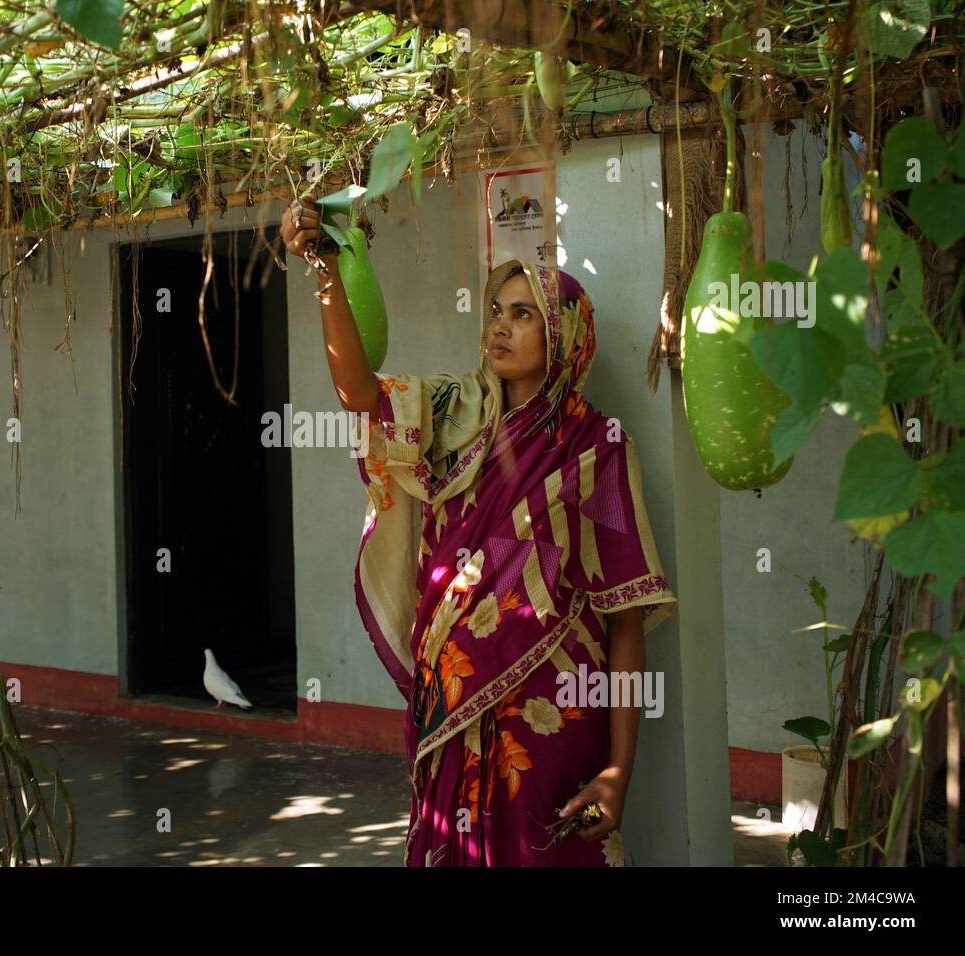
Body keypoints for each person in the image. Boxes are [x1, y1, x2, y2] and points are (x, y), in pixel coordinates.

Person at [281, 195, 678, 866]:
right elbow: (358, 394)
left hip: (551, 718)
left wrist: (619, 770)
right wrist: (324, 268)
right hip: (450, 704)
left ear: (565, 336)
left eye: (523, 315)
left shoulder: (597, 447)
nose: (499, 327)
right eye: (497, 310)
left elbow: (626, 621)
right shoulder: (453, 410)